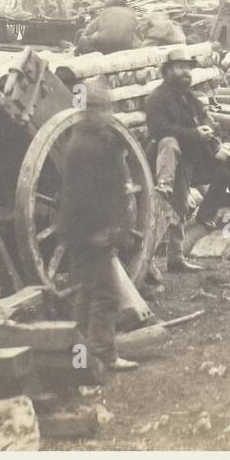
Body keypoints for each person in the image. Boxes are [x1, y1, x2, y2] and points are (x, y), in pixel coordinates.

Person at [57, 81, 140, 378]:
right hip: (91, 231)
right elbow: (87, 196)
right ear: (88, 112)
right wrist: (102, 229)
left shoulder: (87, 141)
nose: (107, 114)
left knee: (86, 292)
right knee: (107, 295)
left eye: (108, 108)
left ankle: (77, 353)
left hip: (84, 231)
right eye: (101, 109)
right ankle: (104, 353)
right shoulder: (88, 147)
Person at [144, 46, 230, 270]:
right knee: (178, 206)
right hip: (168, 158)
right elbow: (159, 130)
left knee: (224, 168)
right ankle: (172, 257)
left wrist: (216, 141)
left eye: (187, 69)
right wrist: (195, 134)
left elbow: (205, 121)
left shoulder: (189, 97)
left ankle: (208, 216)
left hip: (191, 155)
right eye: (179, 68)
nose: (185, 73)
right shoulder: (156, 99)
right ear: (167, 71)